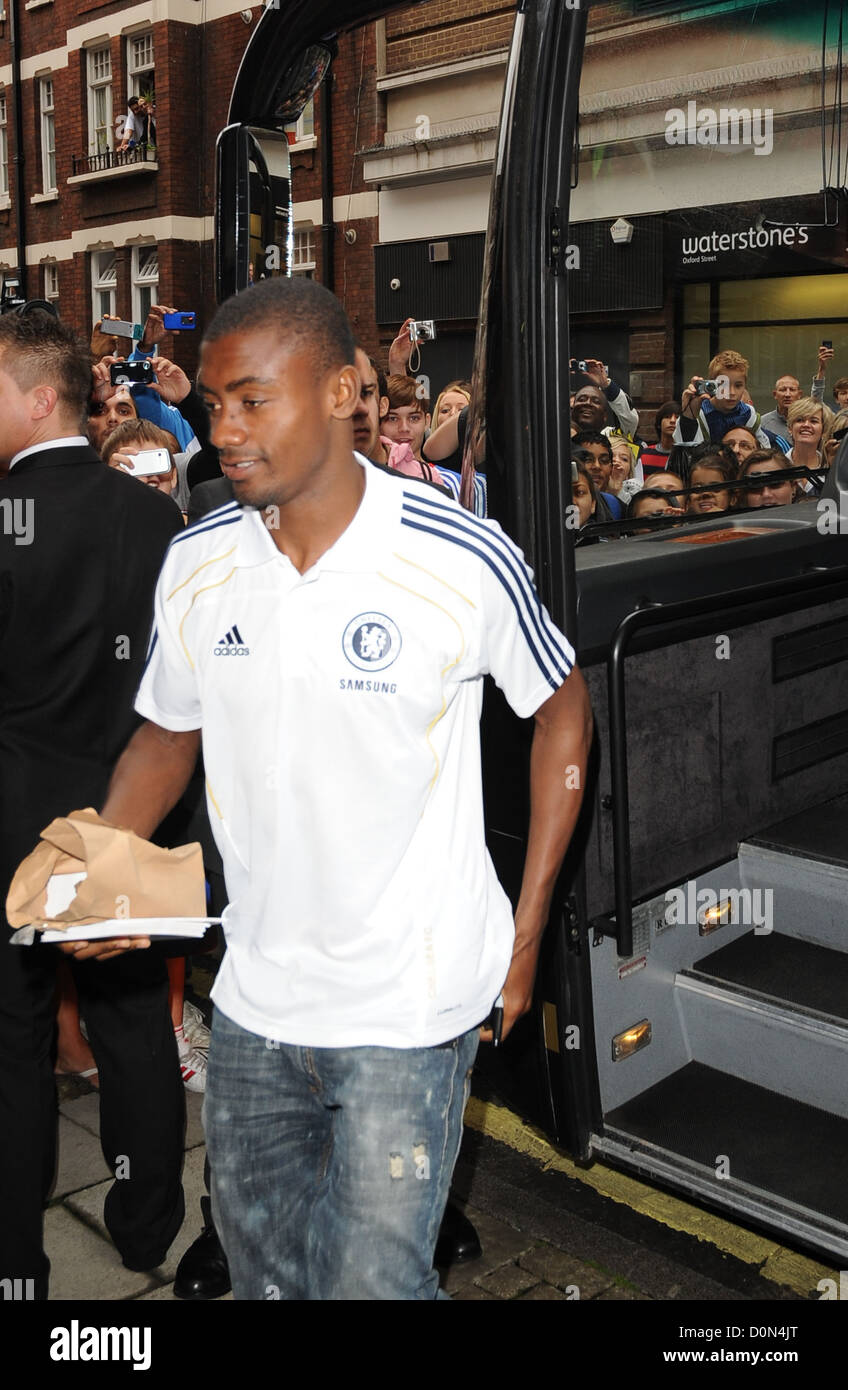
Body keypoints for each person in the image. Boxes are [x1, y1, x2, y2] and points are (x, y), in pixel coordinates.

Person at [87, 277, 593, 1300]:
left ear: (345, 391)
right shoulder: (194, 559)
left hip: (407, 1011)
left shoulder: (457, 554)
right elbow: (163, 735)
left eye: (251, 399)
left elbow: (562, 709)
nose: (222, 430)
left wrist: (527, 929)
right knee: (267, 1278)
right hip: (254, 1004)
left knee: (372, 1287)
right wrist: (104, 864)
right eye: (214, 403)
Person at [0, 307, 185, 1299]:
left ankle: (15, 1260)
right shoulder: (156, 518)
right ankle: (146, 1224)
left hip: (16, 821)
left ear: (38, 397)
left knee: (14, 1039)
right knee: (132, 1024)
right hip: (130, 809)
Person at [675, 350, 770, 449]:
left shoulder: (749, 414)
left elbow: (764, 453)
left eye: (738, 385)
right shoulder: (698, 413)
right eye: (724, 385)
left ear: (745, 386)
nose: (732, 392)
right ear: (712, 384)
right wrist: (688, 418)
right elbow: (684, 453)